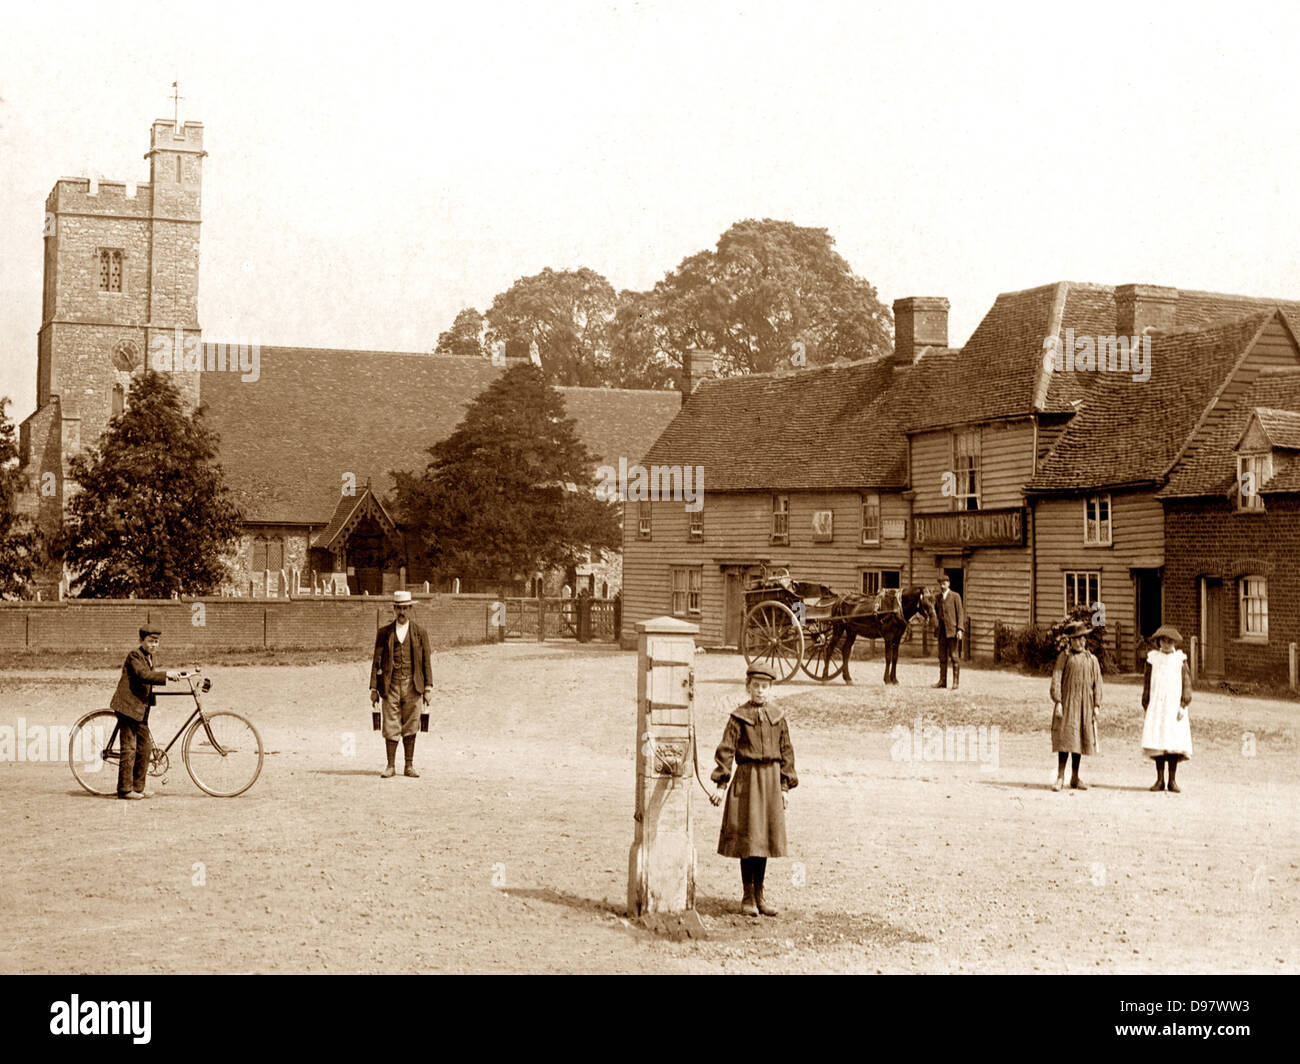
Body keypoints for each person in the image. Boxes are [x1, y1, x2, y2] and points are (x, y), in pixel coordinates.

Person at [710, 666, 798, 917]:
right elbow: (726, 750)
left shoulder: (778, 717)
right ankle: (747, 895)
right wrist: (721, 784)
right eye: (755, 685)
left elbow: (787, 752)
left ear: (771, 689)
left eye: (765, 686)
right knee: (749, 838)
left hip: (770, 781)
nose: (760, 690)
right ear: (748, 687)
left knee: (765, 840)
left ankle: (760, 895)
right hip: (747, 781)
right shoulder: (738, 717)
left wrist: (785, 787)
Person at [109, 624, 179, 800]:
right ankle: (124, 790)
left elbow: (149, 677)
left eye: (156, 642)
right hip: (127, 707)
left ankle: (138, 787)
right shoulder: (135, 655)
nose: (154, 645)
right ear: (141, 641)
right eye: (150, 641)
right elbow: (142, 675)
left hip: (140, 709)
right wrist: (166, 675)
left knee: (145, 748)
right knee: (130, 748)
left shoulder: (149, 657)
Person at [370, 590, 433, 778]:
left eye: (405, 608)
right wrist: (374, 688)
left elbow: (426, 662)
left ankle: (409, 766)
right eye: (398, 608)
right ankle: (390, 765)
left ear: (410, 609)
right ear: (394, 609)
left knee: (412, 724)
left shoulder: (420, 633)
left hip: (413, 685)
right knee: (390, 724)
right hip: (390, 685)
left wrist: (428, 688)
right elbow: (376, 661)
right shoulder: (384, 633)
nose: (402, 612)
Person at [1050, 619, 1102, 791]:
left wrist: (1096, 705)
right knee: (1066, 740)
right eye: (1078, 638)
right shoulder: (1064, 657)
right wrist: (1058, 701)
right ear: (1071, 640)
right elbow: (1057, 679)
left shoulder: (1091, 659)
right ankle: (1060, 777)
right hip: (1068, 704)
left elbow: (1098, 683)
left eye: (1083, 638)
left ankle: (1075, 777)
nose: (1081, 642)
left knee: (1079, 740)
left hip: (1084, 706)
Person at [1141, 625, 1193, 792]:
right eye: (1163, 640)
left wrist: (1183, 704)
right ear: (1158, 642)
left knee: (1173, 743)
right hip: (1158, 705)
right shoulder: (1153, 659)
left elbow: (1186, 683)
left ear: (1174, 643)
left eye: (1170, 641)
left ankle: (1172, 780)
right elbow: (1147, 684)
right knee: (1159, 742)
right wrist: (1146, 704)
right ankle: (1159, 780)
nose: (1166, 644)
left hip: (1174, 706)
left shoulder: (1180, 660)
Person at [933, 574, 965, 690]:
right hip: (942, 632)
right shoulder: (938, 598)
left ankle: (955, 682)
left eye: (944, 583)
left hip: (952, 631)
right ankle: (942, 681)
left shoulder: (955, 596)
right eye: (940, 584)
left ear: (948, 584)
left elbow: (960, 614)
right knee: (942, 657)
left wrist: (960, 629)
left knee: (954, 656)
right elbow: (935, 612)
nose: (942, 586)